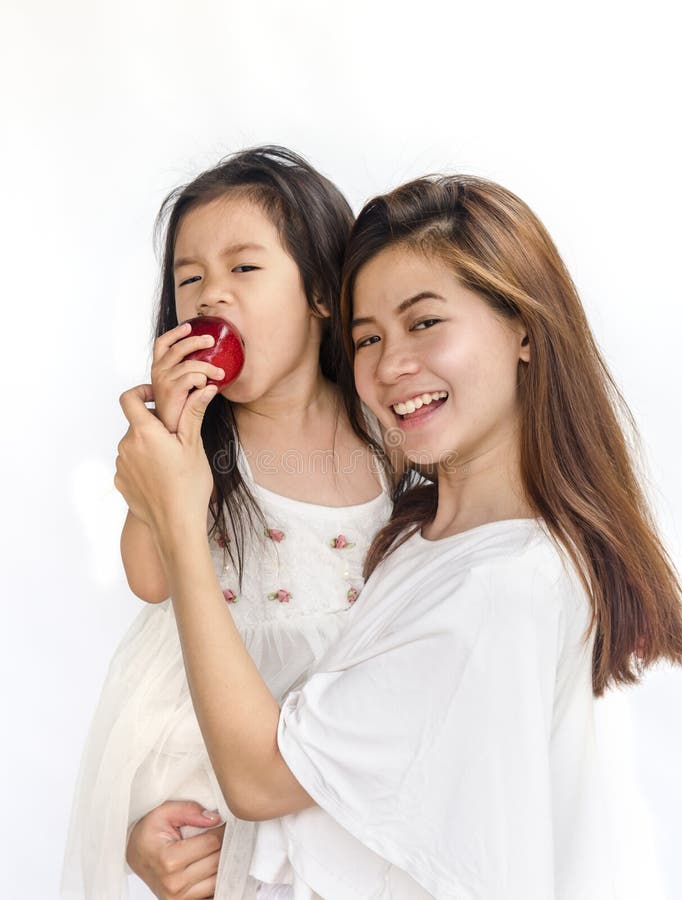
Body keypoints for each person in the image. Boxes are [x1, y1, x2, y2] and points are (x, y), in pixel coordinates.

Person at [117, 174, 682, 899]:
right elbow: (345, 799)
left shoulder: (499, 589)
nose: (389, 366)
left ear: (524, 328)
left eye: (425, 323)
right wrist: (188, 844)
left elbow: (265, 779)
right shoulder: (419, 540)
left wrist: (176, 517)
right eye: (369, 338)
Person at [61, 146, 394, 900]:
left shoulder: (382, 429)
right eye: (190, 278)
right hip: (213, 726)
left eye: (244, 268)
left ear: (321, 293)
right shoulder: (199, 442)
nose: (211, 294)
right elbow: (151, 581)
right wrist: (170, 438)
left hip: (330, 727)